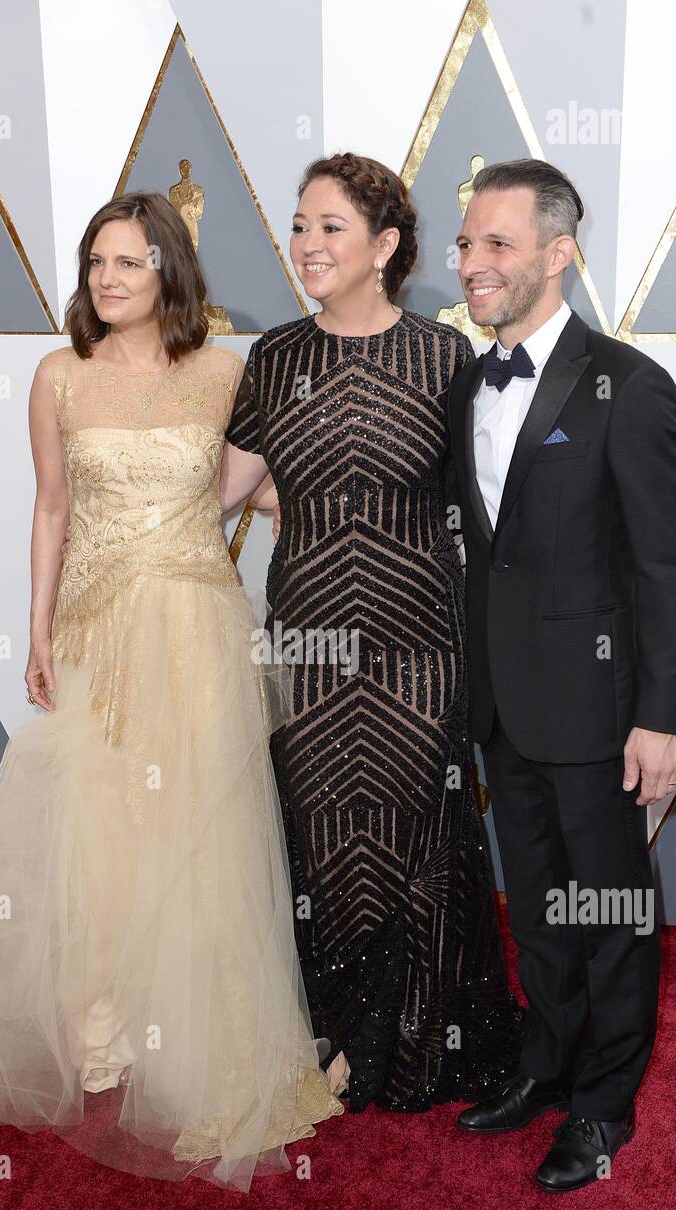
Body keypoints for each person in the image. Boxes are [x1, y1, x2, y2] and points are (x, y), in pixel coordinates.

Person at [0, 191, 343, 1192]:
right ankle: (99, 1028)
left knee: (197, 821)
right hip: (97, 631)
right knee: (98, 819)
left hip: (196, 629)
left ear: (168, 273)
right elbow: (51, 509)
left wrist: (328, 534)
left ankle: (190, 1033)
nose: (105, 278)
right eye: (95, 261)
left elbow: (256, 489)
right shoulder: (58, 375)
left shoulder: (224, 374)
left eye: (128, 263)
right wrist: (38, 629)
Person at [222, 153, 524, 1112]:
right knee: (321, 838)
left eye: (329, 228)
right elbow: (214, 495)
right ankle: (337, 1035)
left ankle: (410, 1045)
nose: (306, 245)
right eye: (300, 225)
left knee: (412, 833)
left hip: (417, 639)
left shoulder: (445, 359)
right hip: (306, 638)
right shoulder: (272, 358)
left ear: (385, 245)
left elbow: (486, 510)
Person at [445, 159, 676, 1191]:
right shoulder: (469, 380)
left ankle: (602, 1107)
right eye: (466, 243)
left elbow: (665, 566)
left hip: (600, 714)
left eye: (497, 244)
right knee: (540, 907)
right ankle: (544, 1064)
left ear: (560, 253)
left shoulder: (627, 385)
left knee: (609, 915)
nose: (472, 263)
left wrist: (662, 718)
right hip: (505, 704)